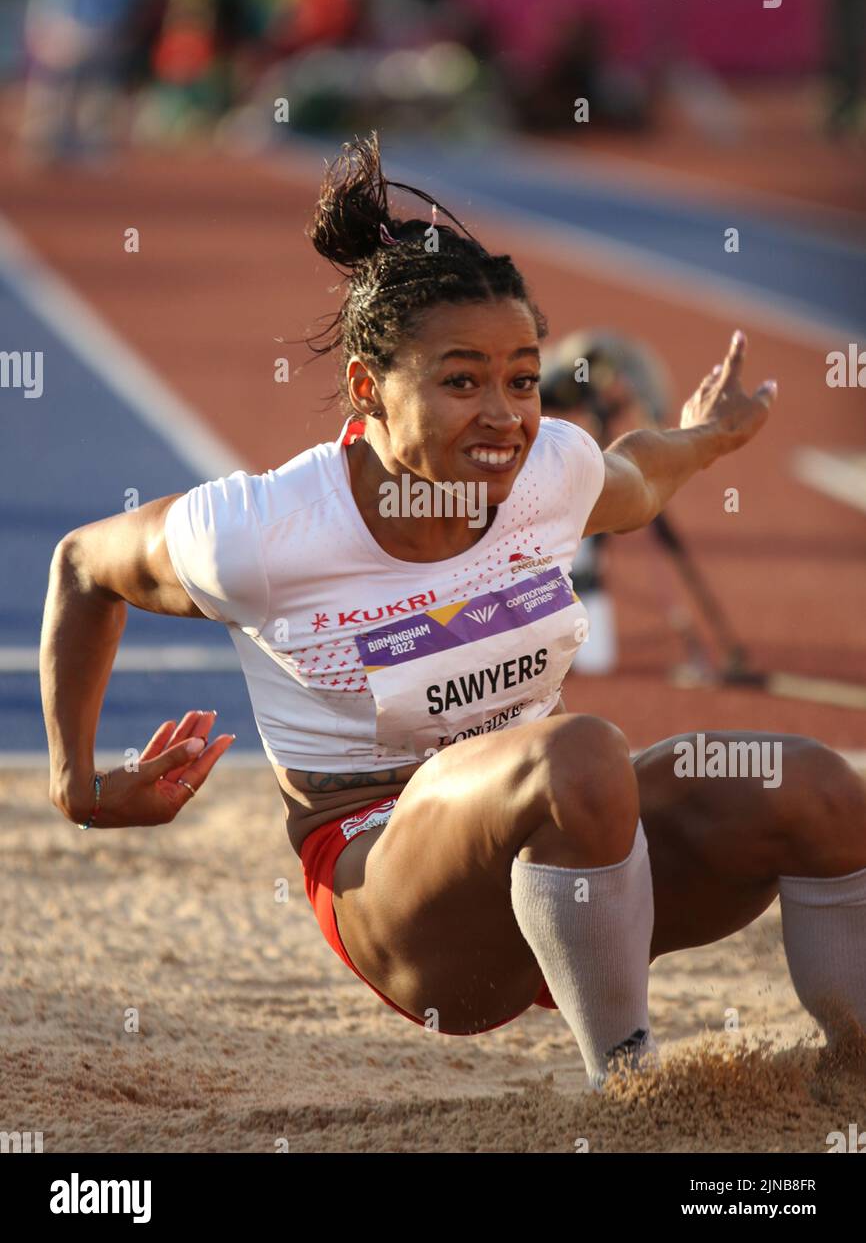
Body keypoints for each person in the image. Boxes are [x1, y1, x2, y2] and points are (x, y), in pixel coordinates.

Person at [42, 136, 866, 1092]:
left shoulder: (547, 470)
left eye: (522, 379)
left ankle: (853, 1065)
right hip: (394, 891)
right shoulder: (261, 532)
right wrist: (78, 786)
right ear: (368, 390)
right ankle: (634, 1090)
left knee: (813, 785)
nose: (506, 416)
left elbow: (637, 478)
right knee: (583, 752)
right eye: (461, 381)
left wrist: (709, 437)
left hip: (571, 860)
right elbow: (82, 565)